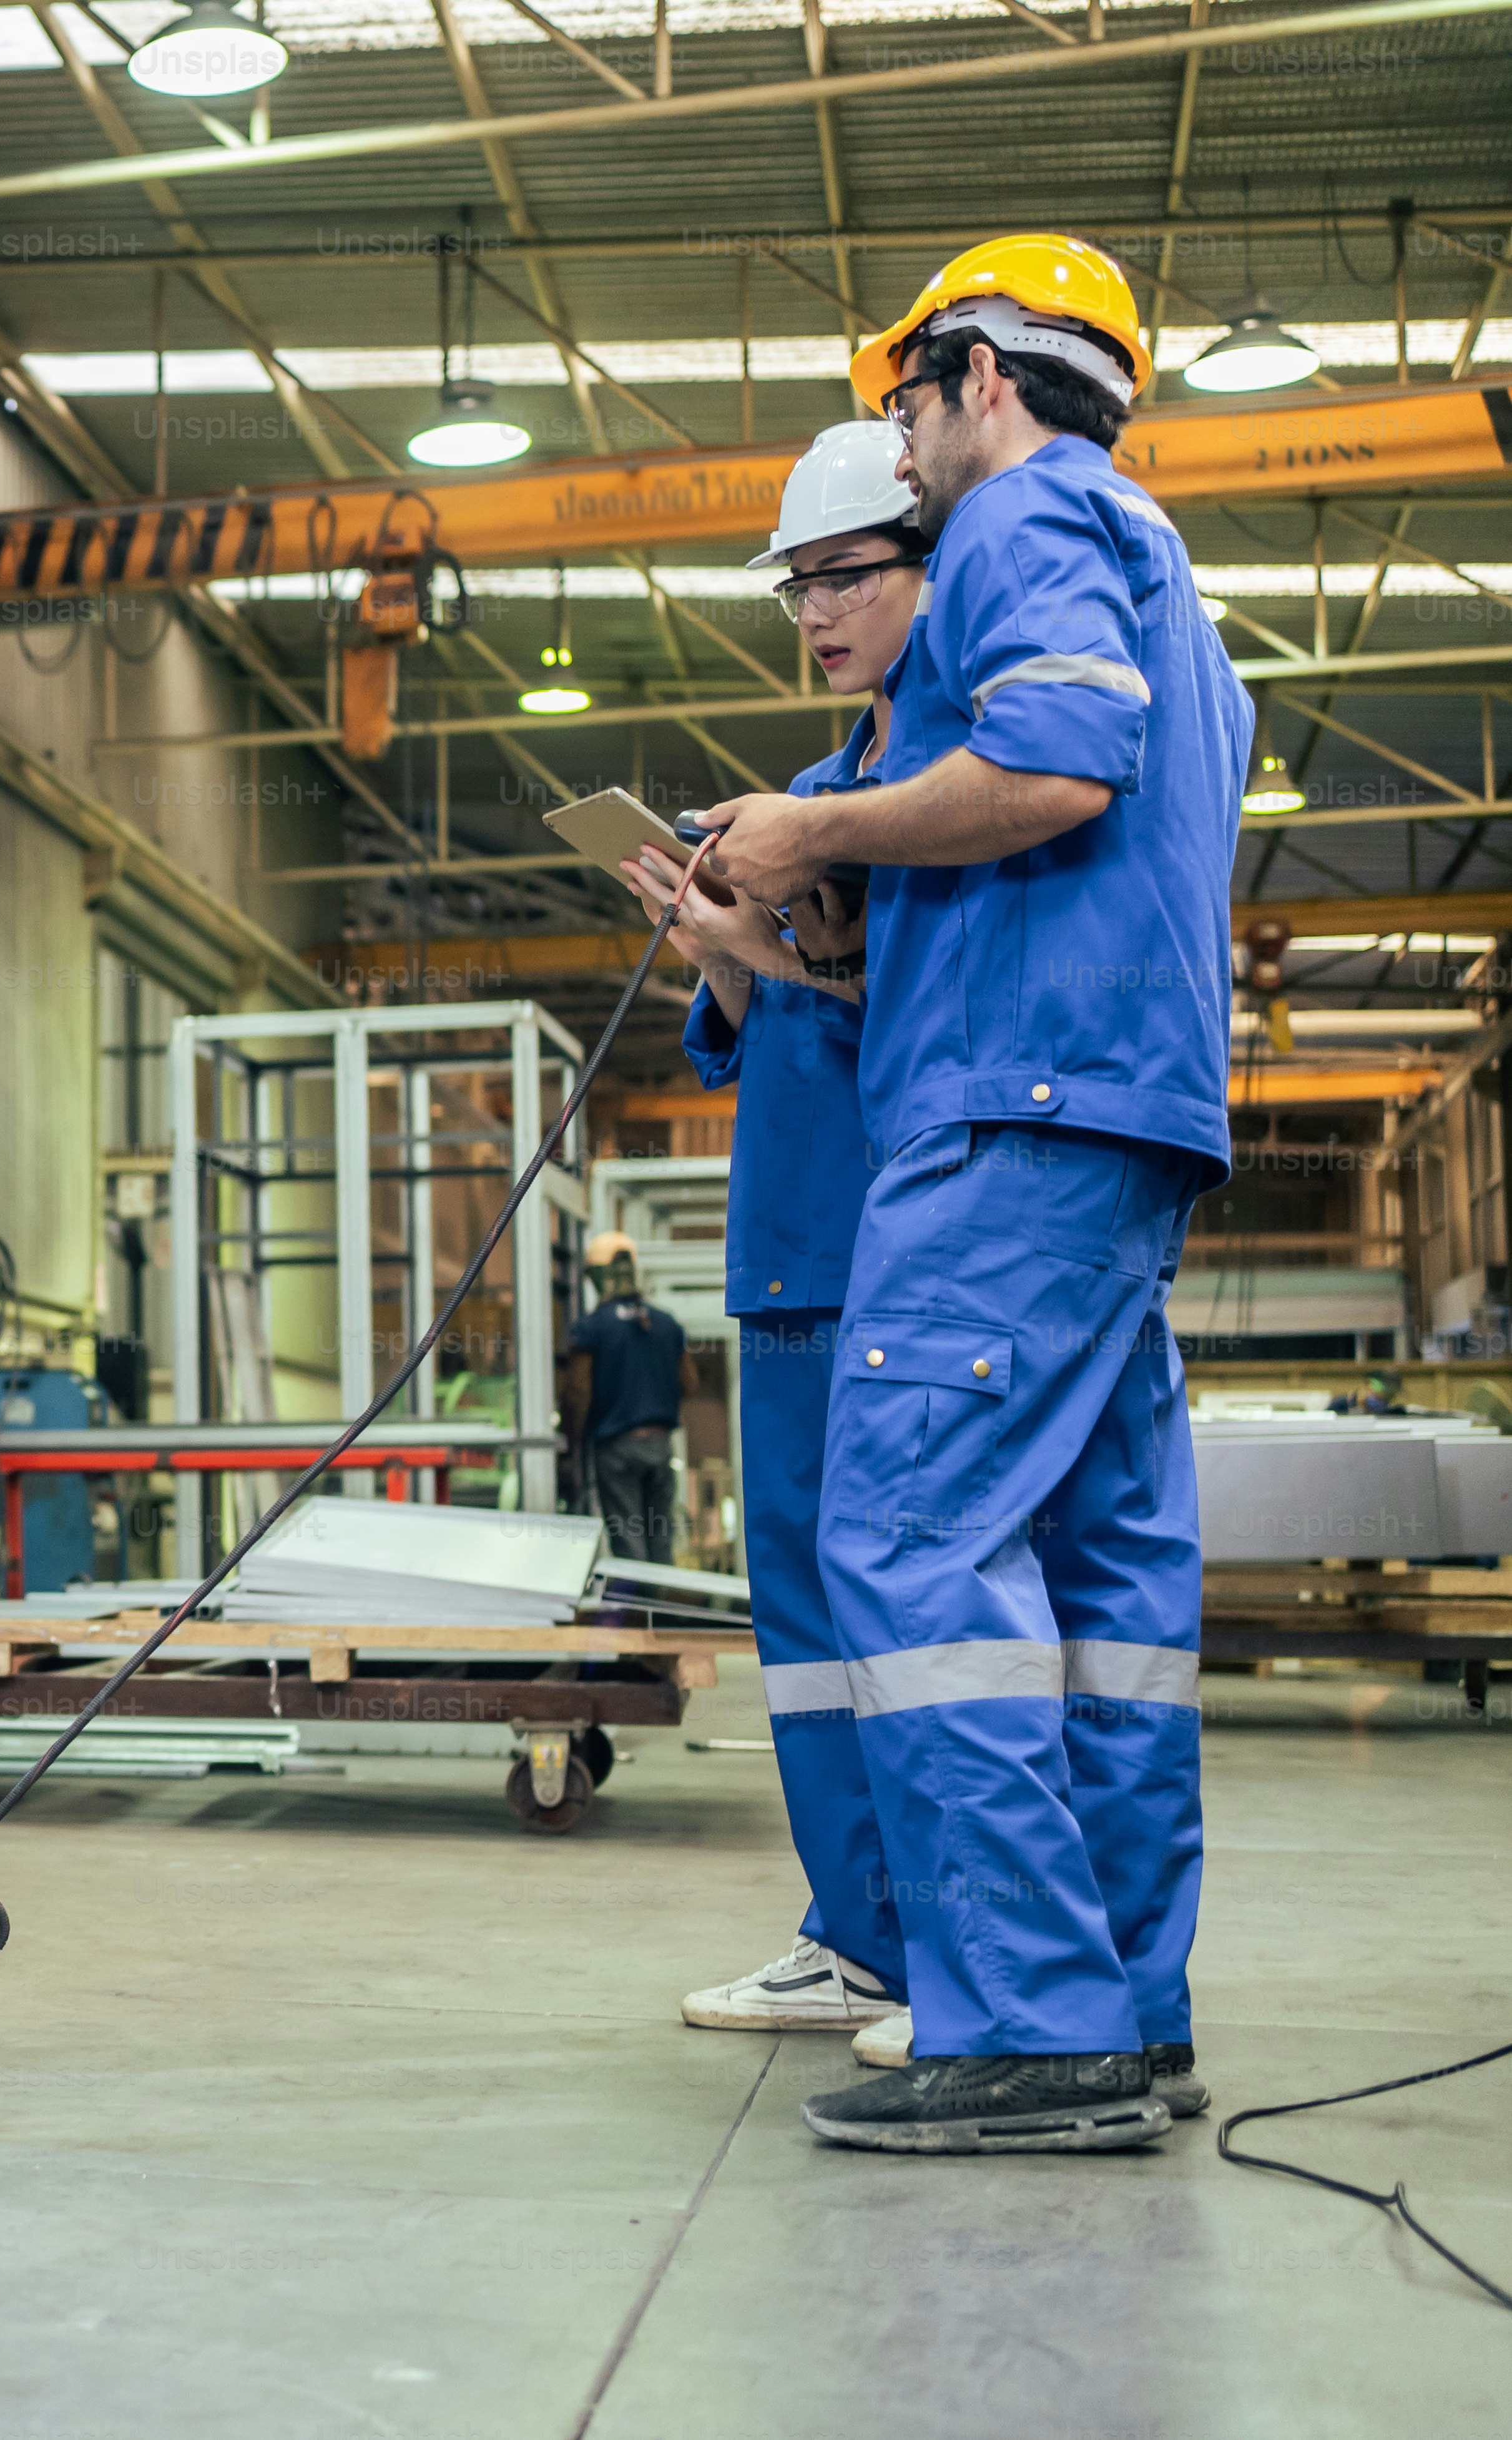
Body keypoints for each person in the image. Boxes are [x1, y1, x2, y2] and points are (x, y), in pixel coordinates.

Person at [690, 235, 1247, 2154]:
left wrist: (814, 825)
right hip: (1120, 1119)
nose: (898, 449)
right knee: (1103, 1588)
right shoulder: (1176, 599)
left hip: (1009, 1123)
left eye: (904, 409)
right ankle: (1125, 2000)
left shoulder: (1021, 520)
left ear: (980, 384)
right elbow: (1087, 832)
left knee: (911, 1541)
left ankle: (1020, 2014)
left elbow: (1056, 771)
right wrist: (803, 922)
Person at [614, 420, 928, 2040]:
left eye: (838, 574)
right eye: (792, 582)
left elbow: (932, 1013)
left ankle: (934, 1933)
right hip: (788, 1241)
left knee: (901, 1607)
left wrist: (798, 945)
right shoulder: (806, 798)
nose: (809, 609)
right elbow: (747, 1030)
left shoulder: (931, 800)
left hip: (900, 1239)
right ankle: (849, 1922)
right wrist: (717, 943)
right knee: (799, 1619)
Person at [561, 1231, 692, 1561]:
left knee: (629, 1544)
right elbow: (690, 1383)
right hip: (660, 1445)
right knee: (660, 1540)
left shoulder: (593, 1327)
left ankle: (637, 1612)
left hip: (616, 1448)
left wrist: (572, 1450)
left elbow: (578, 1391)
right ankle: (663, 1613)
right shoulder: (665, 1324)